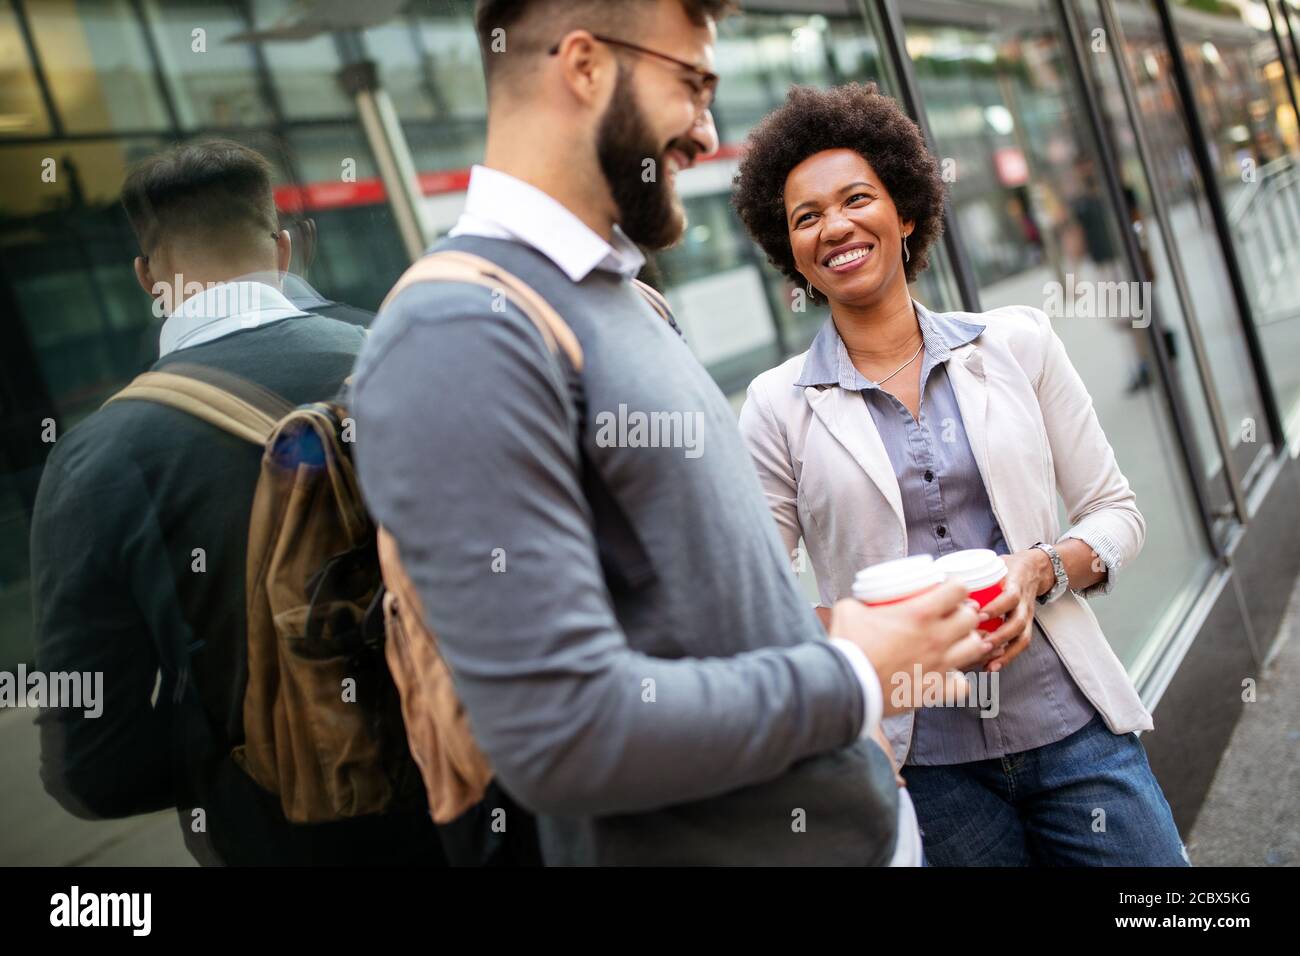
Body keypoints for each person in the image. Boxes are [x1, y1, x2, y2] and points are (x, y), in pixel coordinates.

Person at [352, 0, 995, 866]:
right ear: (583, 66)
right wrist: (850, 672)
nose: (706, 130)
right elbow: (564, 735)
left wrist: (857, 707)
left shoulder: (620, 295)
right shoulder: (460, 331)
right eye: (691, 83)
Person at [731, 83, 1188, 866]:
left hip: (1071, 728)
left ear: (904, 213)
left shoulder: (1017, 345)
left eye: (855, 199)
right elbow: (758, 600)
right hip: (924, 768)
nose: (834, 225)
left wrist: (1037, 570)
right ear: (793, 253)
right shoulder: (777, 407)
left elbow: (1117, 512)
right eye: (806, 217)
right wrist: (861, 649)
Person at [30, 139, 445, 865]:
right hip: (484, 807)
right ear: (284, 252)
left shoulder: (97, 458)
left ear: (145, 277)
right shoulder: (414, 356)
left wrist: (256, 741)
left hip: (288, 842)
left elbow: (94, 770)